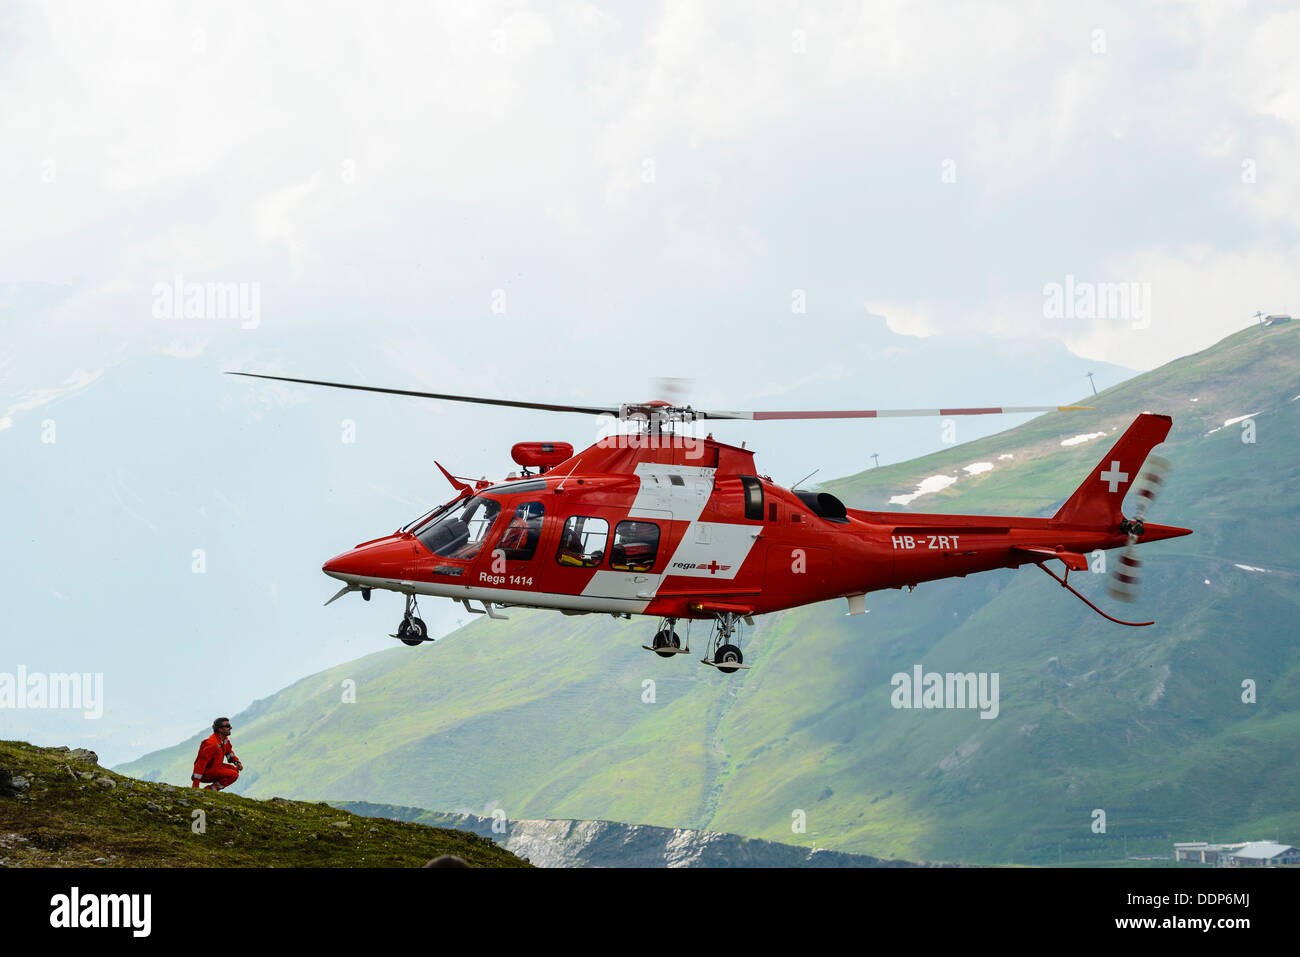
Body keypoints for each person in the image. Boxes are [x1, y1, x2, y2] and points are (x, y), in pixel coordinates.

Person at [191, 717, 243, 790]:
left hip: (216, 767)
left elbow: (229, 752)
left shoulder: (224, 740)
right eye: (227, 726)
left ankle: (210, 789)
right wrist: (195, 784)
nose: (230, 727)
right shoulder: (212, 744)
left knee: (235, 770)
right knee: (233, 775)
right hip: (206, 773)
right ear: (220, 729)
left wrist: (236, 762)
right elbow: (201, 763)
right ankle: (210, 790)